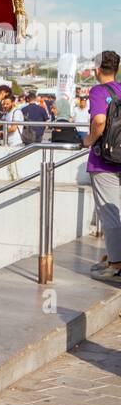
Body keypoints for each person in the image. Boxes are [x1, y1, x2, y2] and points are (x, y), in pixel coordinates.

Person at [84, 50, 121, 277]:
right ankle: (113, 256)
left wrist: (88, 140)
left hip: (104, 161)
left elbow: (99, 120)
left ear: (97, 69)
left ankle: (116, 264)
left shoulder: (98, 91)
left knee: (109, 212)